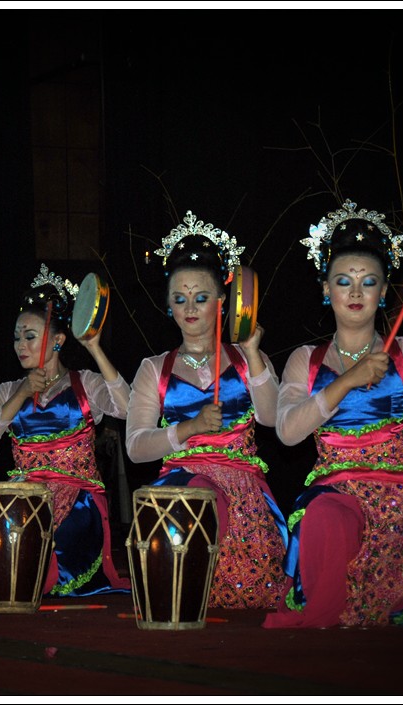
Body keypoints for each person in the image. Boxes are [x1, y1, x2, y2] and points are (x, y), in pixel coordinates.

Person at [262, 199, 403, 629]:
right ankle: (323, 613)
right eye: (343, 281)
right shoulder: (305, 361)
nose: (355, 292)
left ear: (384, 293)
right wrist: (346, 381)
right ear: (326, 290)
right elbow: (288, 433)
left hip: (400, 495)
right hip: (336, 490)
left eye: (369, 283)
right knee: (321, 517)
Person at [125, 210, 289, 610]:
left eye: (201, 297)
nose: (190, 308)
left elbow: (274, 420)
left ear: (221, 302)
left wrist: (252, 353)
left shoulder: (249, 356)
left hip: (244, 488)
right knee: (194, 495)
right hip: (181, 484)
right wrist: (188, 429)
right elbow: (135, 447)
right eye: (180, 299)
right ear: (168, 305)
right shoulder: (154, 368)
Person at [0, 264, 132, 597]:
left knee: (53, 555)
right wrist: (20, 395)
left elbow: (127, 407)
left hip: (79, 500)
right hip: (25, 496)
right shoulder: (7, 391)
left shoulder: (84, 382)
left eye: (30, 336)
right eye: (17, 337)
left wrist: (94, 348)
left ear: (58, 340)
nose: (20, 345)